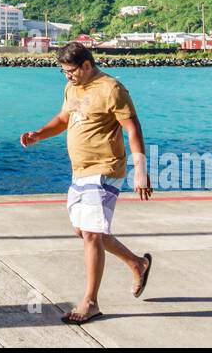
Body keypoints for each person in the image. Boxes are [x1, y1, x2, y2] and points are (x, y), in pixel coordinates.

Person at [20, 41, 152, 324]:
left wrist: (140, 169)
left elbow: (133, 128)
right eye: (64, 72)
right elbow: (64, 118)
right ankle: (137, 263)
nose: (67, 76)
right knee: (84, 230)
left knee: (92, 234)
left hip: (106, 168)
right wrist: (39, 134)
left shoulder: (112, 89)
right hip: (80, 170)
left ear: (87, 65)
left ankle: (90, 302)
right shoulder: (72, 87)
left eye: (71, 71)